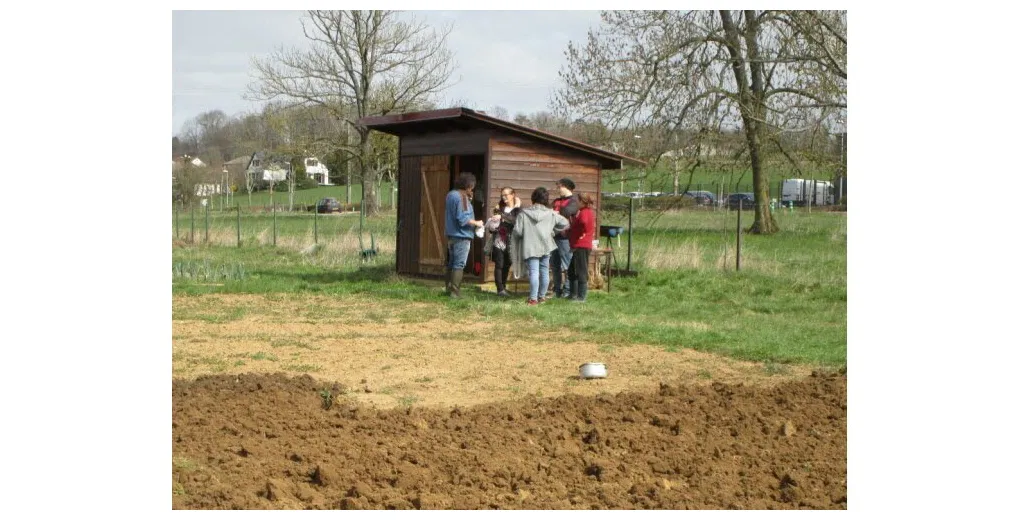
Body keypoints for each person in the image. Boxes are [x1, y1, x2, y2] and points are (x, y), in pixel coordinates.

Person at [512, 187, 569, 305]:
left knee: (534, 272)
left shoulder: (524, 214)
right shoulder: (551, 213)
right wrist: (553, 232)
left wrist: (524, 234)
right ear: (546, 199)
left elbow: (517, 232)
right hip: (546, 246)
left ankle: (533, 299)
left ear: (533, 198)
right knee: (544, 272)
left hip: (530, 246)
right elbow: (565, 223)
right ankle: (541, 297)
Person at [444, 172, 484, 298]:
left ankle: (448, 289)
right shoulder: (462, 198)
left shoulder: (451, 194)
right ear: (469, 185)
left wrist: (469, 199)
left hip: (451, 235)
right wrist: (477, 222)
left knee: (451, 263)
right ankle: (455, 293)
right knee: (459, 264)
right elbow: (462, 219)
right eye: (472, 186)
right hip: (462, 235)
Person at [487, 187, 521, 297]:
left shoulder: (519, 209)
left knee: (507, 264)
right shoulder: (499, 208)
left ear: (513, 195)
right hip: (499, 239)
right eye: (502, 195)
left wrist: (503, 216)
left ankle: (504, 287)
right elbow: (493, 224)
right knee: (499, 264)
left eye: (506, 195)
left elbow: (516, 221)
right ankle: (500, 289)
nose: (504, 197)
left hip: (512, 241)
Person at [550, 178, 580, 298]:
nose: (558, 189)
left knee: (567, 265)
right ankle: (557, 290)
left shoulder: (574, 201)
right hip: (553, 237)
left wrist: (555, 213)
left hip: (565, 238)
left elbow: (568, 211)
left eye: (559, 187)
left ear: (566, 187)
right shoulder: (556, 201)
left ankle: (567, 290)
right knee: (555, 265)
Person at [567, 192, 597, 303]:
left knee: (581, 270)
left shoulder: (585, 212)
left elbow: (584, 223)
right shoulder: (582, 212)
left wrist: (581, 233)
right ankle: (573, 294)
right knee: (572, 270)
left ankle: (581, 297)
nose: (575, 203)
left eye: (577, 201)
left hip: (582, 245)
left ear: (582, 201)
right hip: (578, 245)